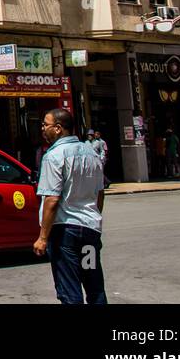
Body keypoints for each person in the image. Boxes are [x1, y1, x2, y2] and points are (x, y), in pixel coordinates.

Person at [33, 108, 107, 304]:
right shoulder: (92, 153)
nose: (43, 129)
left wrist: (42, 238)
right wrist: (94, 216)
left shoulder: (54, 156)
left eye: (45, 125)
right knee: (93, 285)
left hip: (65, 234)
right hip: (90, 230)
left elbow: (52, 199)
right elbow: (100, 193)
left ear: (58, 128)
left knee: (69, 289)